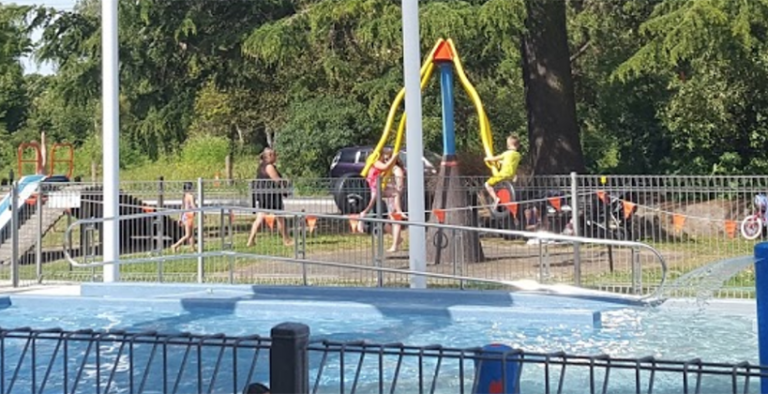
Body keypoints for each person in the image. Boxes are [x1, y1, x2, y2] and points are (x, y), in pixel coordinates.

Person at [247, 148, 293, 247]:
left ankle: (251, 240)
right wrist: (285, 182)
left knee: (259, 218)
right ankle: (286, 240)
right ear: (269, 156)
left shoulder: (261, 166)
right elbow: (277, 180)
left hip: (264, 195)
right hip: (271, 196)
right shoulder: (269, 167)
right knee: (280, 217)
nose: (276, 157)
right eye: (274, 155)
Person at [484, 134, 522, 207]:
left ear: (508, 145)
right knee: (502, 186)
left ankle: (495, 199)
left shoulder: (506, 153)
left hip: (503, 174)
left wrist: (487, 159)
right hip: (511, 175)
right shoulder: (518, 155)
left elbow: (495, 158)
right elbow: (509, 163)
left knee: (487, 184)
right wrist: (500, 163)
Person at [171, 182, 196, 252]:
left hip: (185, 216)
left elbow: (182, 208)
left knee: (191, 233)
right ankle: (175, 245)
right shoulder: (190, 196)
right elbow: (193, 205)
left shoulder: (185, 196)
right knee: (188, 235)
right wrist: (200, 210)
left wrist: (180, 218)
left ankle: (192, 248)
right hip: (189, 216)